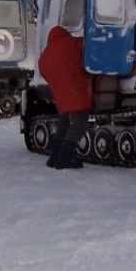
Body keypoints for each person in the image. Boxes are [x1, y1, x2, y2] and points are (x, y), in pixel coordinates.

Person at [36, 25, 92, 170]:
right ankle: (64, 160)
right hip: (77, 91)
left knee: (64, 125)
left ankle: (53, 158)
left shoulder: (45, 56)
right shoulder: (72, 43)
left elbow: (43, 72)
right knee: (78, 125)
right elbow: (90, 47)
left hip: (61, 95)